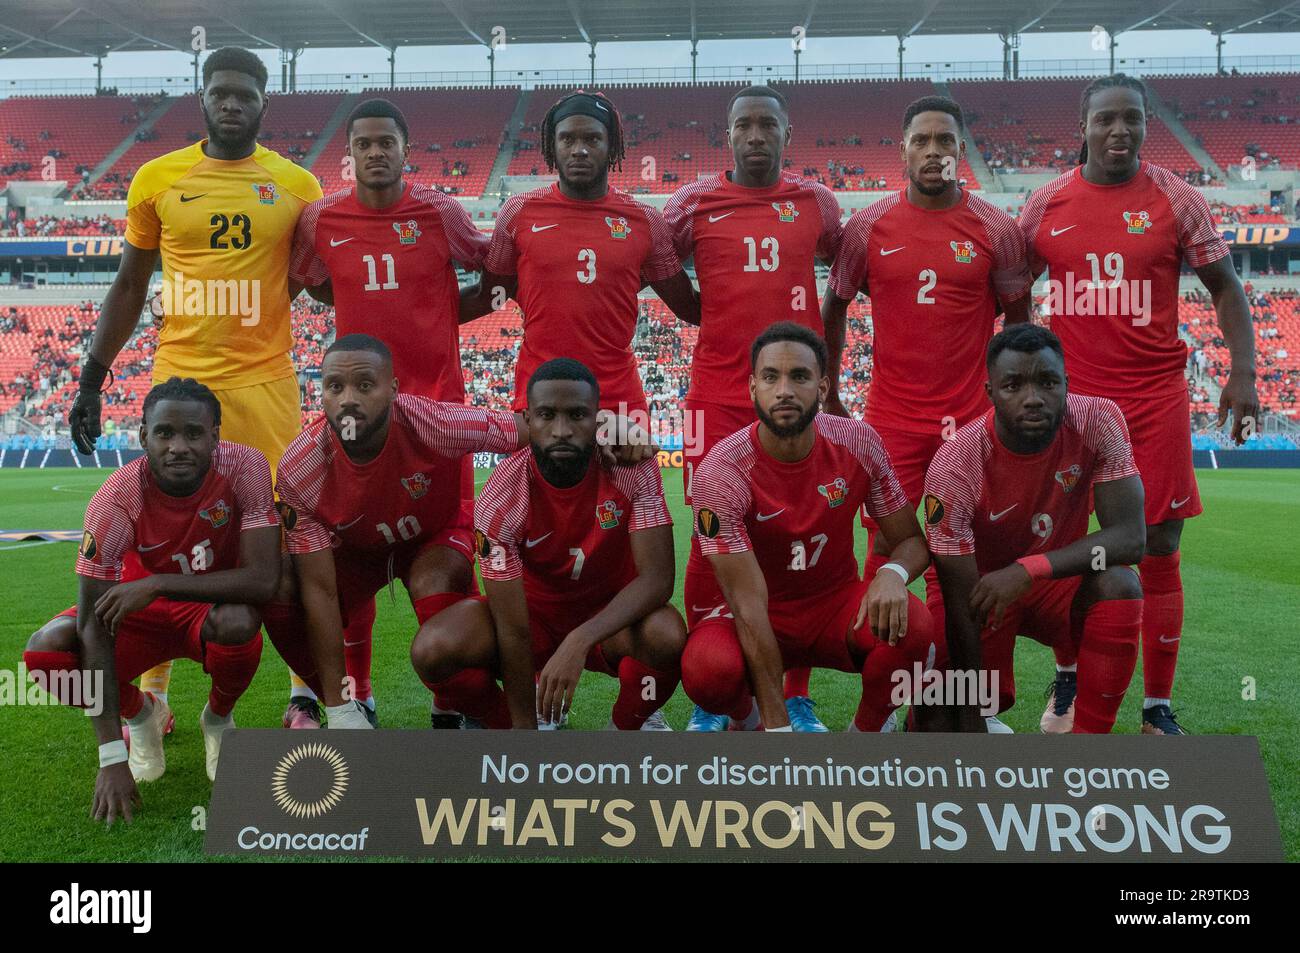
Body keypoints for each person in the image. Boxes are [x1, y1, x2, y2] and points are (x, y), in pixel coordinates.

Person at [67, 46, 323, 726]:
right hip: (179, 384)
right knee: (165, 537)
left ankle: (303, 693)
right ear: (202, 97)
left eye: (244, 93)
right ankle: (156, 693)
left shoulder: (298, 186)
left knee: (290, 536)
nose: (231, 102)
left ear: (265, 102)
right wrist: (93, 378)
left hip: (267, 385)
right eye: (220, 92)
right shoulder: (157, 178)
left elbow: (305, 278)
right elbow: (129, 283)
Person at [1018, 74, 1259, 734]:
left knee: (1158, 546)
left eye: (1132, 119)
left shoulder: (1178, 200)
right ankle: (1069, 676)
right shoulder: (1045, 204)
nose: (1119, 130)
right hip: (1073, 407)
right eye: (1106, 119)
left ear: (1147, 126)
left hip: (1154, 399)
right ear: (1083, 125)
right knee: (1070, 545)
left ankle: (1157, 708)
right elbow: (1011, 287)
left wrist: (1244, 372)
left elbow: (1227, 286)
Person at [285, 97, 489, 728]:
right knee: (349, 557)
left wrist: (447, 314)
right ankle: (357, 695)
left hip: (436, 426)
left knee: (446, 565)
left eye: (386, 142)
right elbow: (314, 281)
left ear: (407, 150)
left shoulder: (440, 213)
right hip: (356, 424)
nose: (376, 152)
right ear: (350, 155)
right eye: (364, 144)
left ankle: (454, 704)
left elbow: (490, 268)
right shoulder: (321, 219)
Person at [822, 94, 1032, 707]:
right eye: (923, 141)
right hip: (892, 422)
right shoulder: (867, 228)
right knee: (887, 552)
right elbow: (834, 306)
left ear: (961, 151)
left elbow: (1020, 327)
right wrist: (832, 389)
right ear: (904, 149)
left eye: (946, 142)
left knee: (972, 556)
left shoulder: (996, 230)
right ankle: (883, 697)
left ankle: (978, 698)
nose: (935, 151)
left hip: (970, 424)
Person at [662, 84, 844, 731]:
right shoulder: (692, 204)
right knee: (709, 539)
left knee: (797, 533)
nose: (757, 135)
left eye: (768, 124)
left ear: (785, 133)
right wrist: (702, 314)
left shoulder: (815, 202)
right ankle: (716, 696)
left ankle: (794, 693)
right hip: (716, 393)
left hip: (793, 393)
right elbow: (664, 272)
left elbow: (843, 275)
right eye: (746, 125)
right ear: (729, 135)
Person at [24, 379, 281, 823]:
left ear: (216, 436)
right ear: (143, 435)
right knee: (45, 650)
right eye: (164, 433)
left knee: (241, 621)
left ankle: (218, 720)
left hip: (203, 612)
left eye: (193, 434)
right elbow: (91, 624)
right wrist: (109, 755)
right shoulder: (115, 498)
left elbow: (263, 581)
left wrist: (158, 583)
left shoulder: (246, 467)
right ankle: (142, 714)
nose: (178, 446)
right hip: (134, 613)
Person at [683, 322, 936, 732]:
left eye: (799, 376)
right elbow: (747, 606)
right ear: (752, 388)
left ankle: (864, 738)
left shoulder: (859, 442)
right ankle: (748, 725)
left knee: (916, 626)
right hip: (756, 609)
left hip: (832, 607)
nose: (784, 389)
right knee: (706, 669)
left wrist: (892, 574)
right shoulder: (722, 469)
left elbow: (910, 539)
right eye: (770, 377)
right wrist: (778, 728)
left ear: (822, 388)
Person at [412, 358, 685, 730]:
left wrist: (580, 639)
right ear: (528, 421)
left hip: (611, 618)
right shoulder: (501, 492)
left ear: (597, 421)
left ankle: (628, 726)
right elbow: (512, 627)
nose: (561, 430)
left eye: (577, 416)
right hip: (532, 619)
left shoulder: (630, 467)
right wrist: (523, 732)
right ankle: (507, 723)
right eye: (546, 415)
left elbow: (657, 580)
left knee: (666, 634)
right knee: (433, 649)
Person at [923, 324, 1146, 733]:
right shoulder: (956, 461)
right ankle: (979, 720)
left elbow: (1131, 538)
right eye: (1013, 386)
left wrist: (1030, 569)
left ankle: (1089, 751)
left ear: (1066, 383)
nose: (1033, 399)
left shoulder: (1098, 420)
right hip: (979, 591)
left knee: (1120, 585)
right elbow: (957, 598)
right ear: (990, 393)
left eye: (1047, 382)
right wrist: (969, 720)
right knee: (937, 721)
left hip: (1057, 583)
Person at [463, 90, 699, 418]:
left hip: (618, 396)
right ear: (552, 145)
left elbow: (689, 306)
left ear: (611, 145)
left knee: (637, 471)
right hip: (540, 393)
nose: (580, 150)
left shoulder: (645, 220)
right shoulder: (518, 212)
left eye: (592, 138)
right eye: (567, 139)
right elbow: (490, 294)